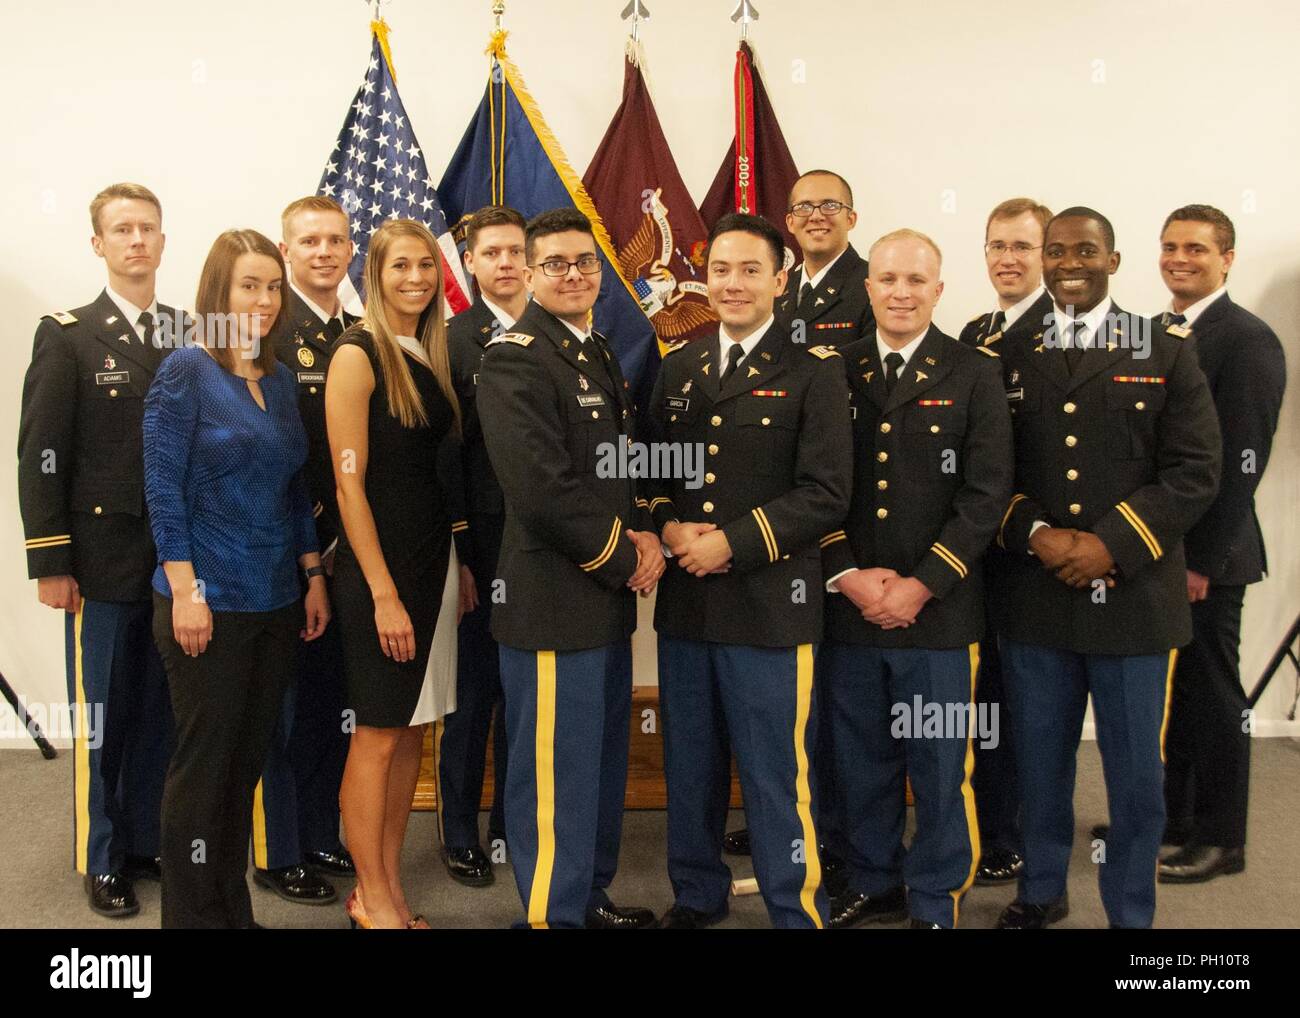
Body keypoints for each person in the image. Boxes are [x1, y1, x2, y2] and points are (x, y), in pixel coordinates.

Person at [992, 207, 1221, 929]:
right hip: (1037, 595)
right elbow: (986, 472)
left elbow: (1195, 471)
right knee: (1040, 765)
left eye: (1084, 251)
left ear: (1113, 261)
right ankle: (1040, 893)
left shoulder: (1164, 349)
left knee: (1135, 778)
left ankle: (1130, 911)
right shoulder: (1005, 351)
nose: (1068, 263)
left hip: (1132, 598)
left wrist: (1107, 545)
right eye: (1056, 250)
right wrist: (1037, 535)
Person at [645, 212, 852, 929]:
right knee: (691, 767)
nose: (733, 284)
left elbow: (827, 494)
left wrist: (730, 542)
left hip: (771, 605)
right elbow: (652, 472)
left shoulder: (814, 372)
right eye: (722, 270)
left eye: (750, 270)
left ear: (780, 279)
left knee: (775, 777)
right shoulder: (679, 365)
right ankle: (697, 894)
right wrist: (669, 526)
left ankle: (795, 908)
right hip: (688, 607)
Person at [818, 230, 1012, 929]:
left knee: (938, 765)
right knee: (860, 758)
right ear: (867, 287)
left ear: (938, 289)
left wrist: (921, 584)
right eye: (888, 279)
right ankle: (874, 879)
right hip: (852, 607)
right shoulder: (830, 369)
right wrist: (851, 576)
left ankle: (936, 894)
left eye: (916, 281)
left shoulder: (974, 371)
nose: (901, 292)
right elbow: (818, 487)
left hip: (941, 611)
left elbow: (987, 495)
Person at [477, 208, 662, 930]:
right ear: (525, 271)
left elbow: (619, 465)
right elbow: (540, 486)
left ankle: (588, 896)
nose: (574, 274)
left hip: (602, 603)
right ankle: (554, 913)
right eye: (555, 263)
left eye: (585, 262)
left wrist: (645, 533)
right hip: (553, 601)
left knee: (595, 766)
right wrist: (626, 556)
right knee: (552, 777)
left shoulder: (598, 349)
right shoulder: (516, 354)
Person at [144, 229, 329, 929]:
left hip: (276, 601)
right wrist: (187, 593)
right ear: (218, 291)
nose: (263, 299)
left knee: (242, 770)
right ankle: (191, 920)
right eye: (248, 285)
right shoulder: (186, 370)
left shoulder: (278, 379)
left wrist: (312, 573)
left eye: (272, 286)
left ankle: (230, 913)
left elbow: (293, 489)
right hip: (206, 607)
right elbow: (163, 491)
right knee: (203, 774)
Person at [18, 183, 179, 918]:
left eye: (147, 228)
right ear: (99, 245)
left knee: (157, 711)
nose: (136, 241)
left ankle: (144, 839)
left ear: (162, 240)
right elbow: (40, 451)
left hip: (172, 561)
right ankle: (100, 853)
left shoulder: (187, 330)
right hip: (99, 559)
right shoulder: (69, 333)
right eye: (122, 230)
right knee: (102, 714)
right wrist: (52, 560)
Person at [724, 169, 872, 881]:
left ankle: (833, 858)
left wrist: (845, 555)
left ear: (852, 215)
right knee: (805, 717)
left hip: (854, 532)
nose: (815, 216)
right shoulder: (788, 294)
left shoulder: (873, 288)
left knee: (842, 722)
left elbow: (869, 430)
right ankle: (793, 838)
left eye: (829, 206)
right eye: (802, 207)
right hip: (795, 544)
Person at [328, 219, 465, 930]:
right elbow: (349, 486)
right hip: (380, 576)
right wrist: (382, 594)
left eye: (424, 266)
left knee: (414, 730)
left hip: (430, 568)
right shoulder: (358, 353)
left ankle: (386, 892)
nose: (414, 278)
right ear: (374, 275)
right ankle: (370, 894)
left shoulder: (428, 349)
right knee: (378, 733)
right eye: (398, 267)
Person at [1153, 205, 1285, 884]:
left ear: (1227, 258)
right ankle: (1175, 818)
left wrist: (1201, 560)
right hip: (1159, 550)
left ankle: (1222, 837)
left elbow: (1242, 462)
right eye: (1171, 246)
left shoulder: (1246, 339)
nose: (1181, 258)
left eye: (1197, 249)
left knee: (1216, 697)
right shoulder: (1157, 332)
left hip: (1212, 554)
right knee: (1177, 692)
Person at [249, 196, 359, 906]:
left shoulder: (360, 331)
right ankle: (276, 849)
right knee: (280, 711)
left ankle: (322, 831)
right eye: (309, 241)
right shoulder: (263, 334)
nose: (325, 252)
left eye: (337, 240)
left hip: (350, 552)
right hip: (287, 549)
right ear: (286, 252)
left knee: (332, 705)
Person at [956, 197, 1055, 886]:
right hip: (977, 549)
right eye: (997, 245)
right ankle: (987, 826)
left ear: (1048, 254)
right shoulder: (976, 331)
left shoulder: (1073, 333)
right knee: (984, 697)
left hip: (1037, 548)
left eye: (1023, 246)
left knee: (1030, 704)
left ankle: (1015, 835)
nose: (1008, 259)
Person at [437, 205, 528, 887]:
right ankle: (461, 830)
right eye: (490, 252)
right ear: (468, 261)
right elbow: (446, 459)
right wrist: (463, 555)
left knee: (526, 696)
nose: (504, 263)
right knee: (474, 698)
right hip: (481, 546)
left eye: (514, 252)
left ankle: (513, 826)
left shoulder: (555, 331)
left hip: (545, 550)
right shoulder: (451, 340)